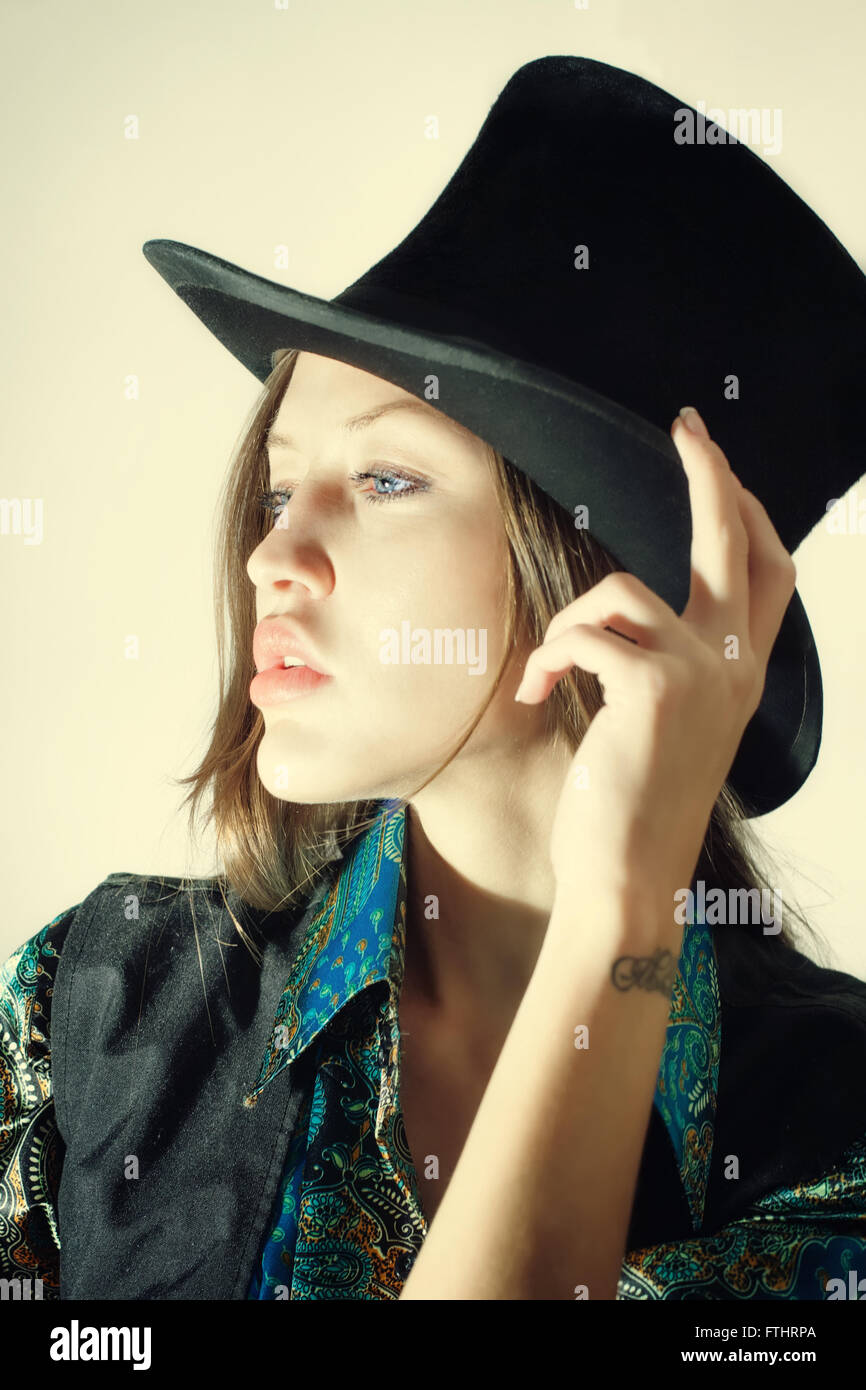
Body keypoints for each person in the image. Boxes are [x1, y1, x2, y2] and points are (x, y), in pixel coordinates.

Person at [4, 55, 866, 1301]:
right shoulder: (93, 1006)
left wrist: (620, 915)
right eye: (276, 487)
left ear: (596, 569)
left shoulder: (832, 1123)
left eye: (382, 481)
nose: (270, 557)